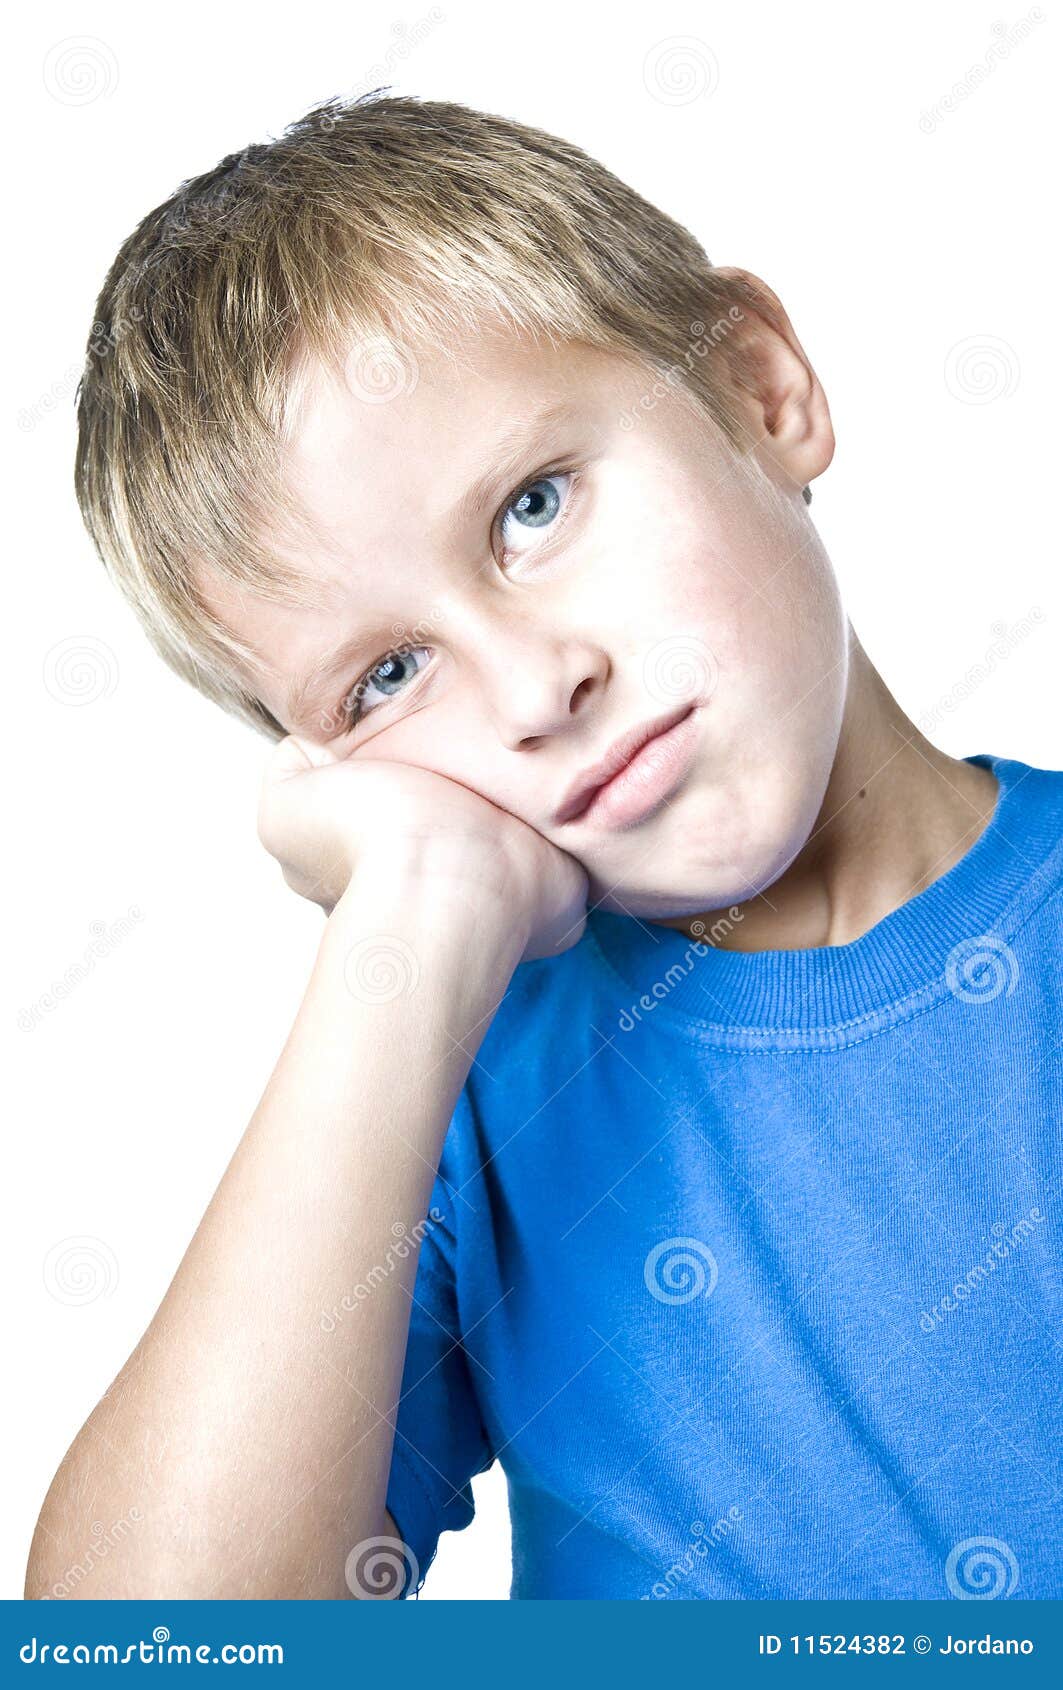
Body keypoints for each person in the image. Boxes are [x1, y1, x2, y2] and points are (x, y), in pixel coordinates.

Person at [26, 92, 1062, 1601]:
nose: (534, 689)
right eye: (386, 678)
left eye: (531, 506)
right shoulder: (443, 1095)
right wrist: (413, 917)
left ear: (761, 390)